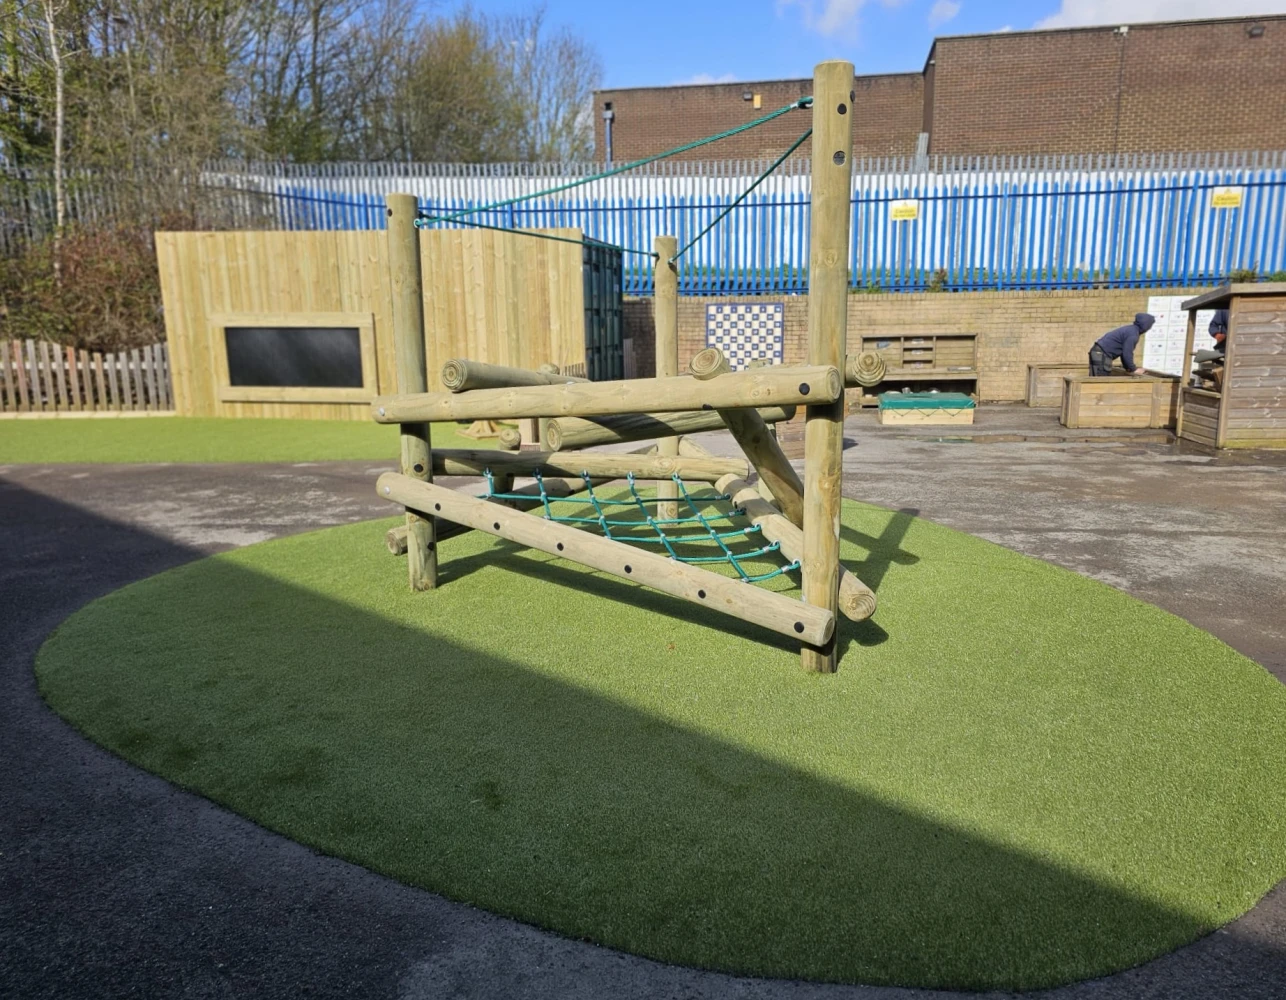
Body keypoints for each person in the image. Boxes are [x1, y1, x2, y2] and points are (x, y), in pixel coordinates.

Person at [1089, 313, 1154, 376]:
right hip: (1102, 354)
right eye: (1150, 326)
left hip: (1098, 352)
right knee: (1100, 381)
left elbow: (1123, 353)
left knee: (1095, 380)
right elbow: (1127, 353)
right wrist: (1133, 369)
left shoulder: (1130, 330)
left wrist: (1128, 368)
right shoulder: (1133, 334)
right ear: (1146, 325)